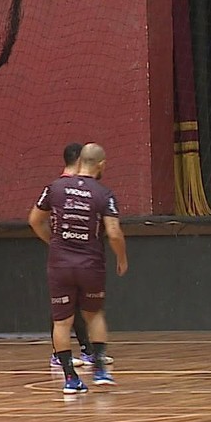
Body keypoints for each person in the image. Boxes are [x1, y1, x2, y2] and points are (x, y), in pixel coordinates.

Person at [28, 143, 128, 394]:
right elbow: (114, 233)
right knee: (94, 314)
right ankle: (101, 371)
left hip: (59, 263)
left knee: (62, 322)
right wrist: (122, 258)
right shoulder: (104, 194)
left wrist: (53, 241)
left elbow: (34, 220)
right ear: (101, 164)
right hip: (90, 264)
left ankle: (71, 379)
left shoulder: (54, 188)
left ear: (79, 161)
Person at [47, 142, 100, 369]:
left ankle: (87, 350)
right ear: (79, 161)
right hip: (65, 257)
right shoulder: (59, 187)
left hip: (80, 255)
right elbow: (35, 218)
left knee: (79, 304)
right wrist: (54, 241)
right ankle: (59, 355)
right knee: (63, 309)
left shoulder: (80, 187)